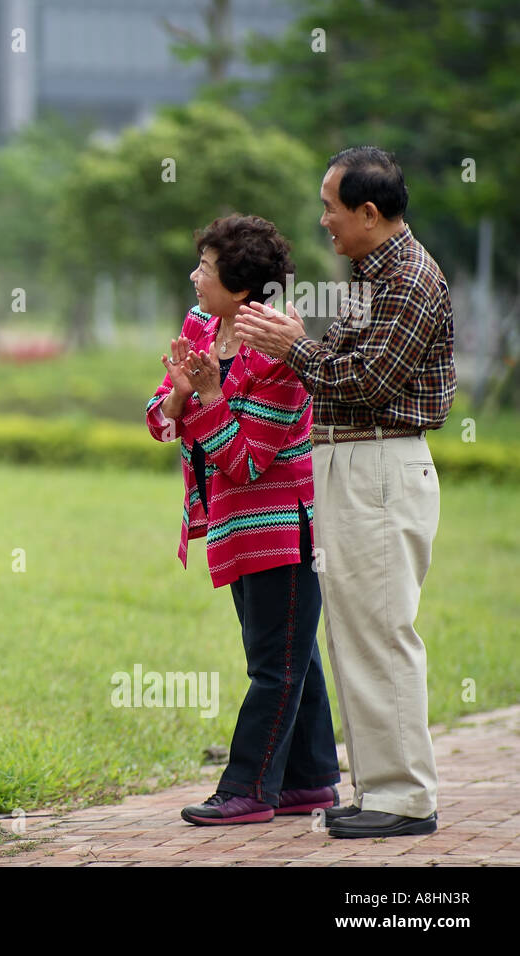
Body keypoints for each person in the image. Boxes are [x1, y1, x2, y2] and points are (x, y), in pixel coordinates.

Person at [236, 147, 454, 839]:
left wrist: (292, 350)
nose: (323, 219)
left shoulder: (411, 280)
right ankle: (379, 788)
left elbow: (368, 383)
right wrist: (303, 346)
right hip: (358, 469)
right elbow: (342, 363)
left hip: (382, 470)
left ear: (368, 211)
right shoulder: (372, 275)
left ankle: (405, 798)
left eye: (331, 206)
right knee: (356, 635)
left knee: (382, 632)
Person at [146, 215, 341, 825]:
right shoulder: (201, 327)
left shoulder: (279, 351)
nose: (194, 277)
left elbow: (248, 462)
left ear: (242, 286)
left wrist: (207, 399)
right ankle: (309, 781)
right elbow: (159, 421)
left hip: (280, 524)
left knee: (273, 663)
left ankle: (249, 789)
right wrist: (181, 394)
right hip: (232, 521)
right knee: (291, 651)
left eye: (204, 268)